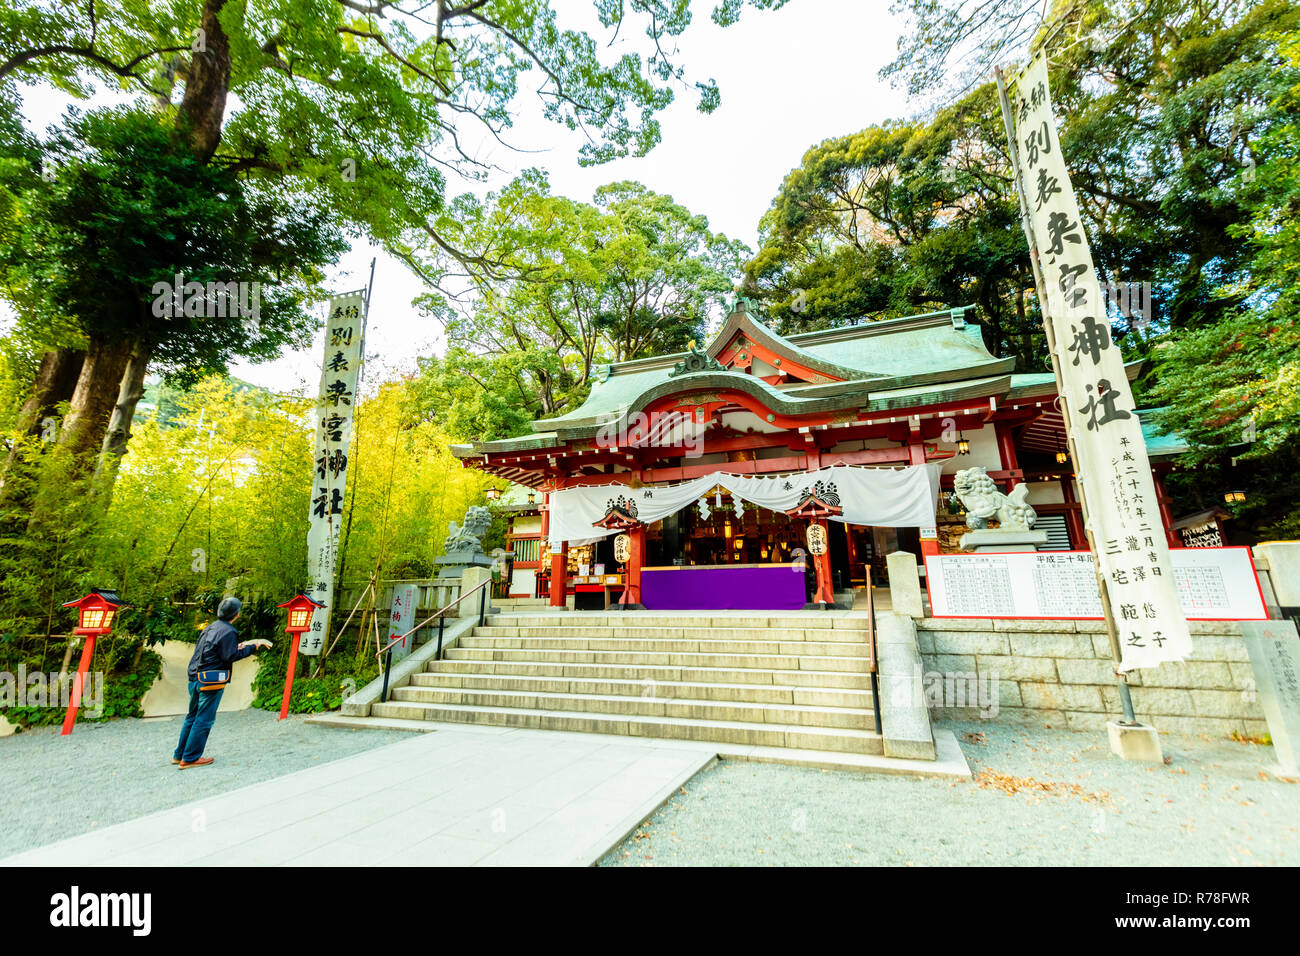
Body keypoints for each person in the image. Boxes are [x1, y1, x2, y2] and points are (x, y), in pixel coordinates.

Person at [172, 596, 271, 769]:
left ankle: (179, 754)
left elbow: (214, 650)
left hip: (195, 677)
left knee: (192, 716)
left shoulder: (210, 628)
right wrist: (253, 647)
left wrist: (239, 646)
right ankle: (190, 758)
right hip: (210, 679)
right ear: (237, 614)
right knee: (204, 719)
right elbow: (230, 655)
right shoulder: (229, 631)